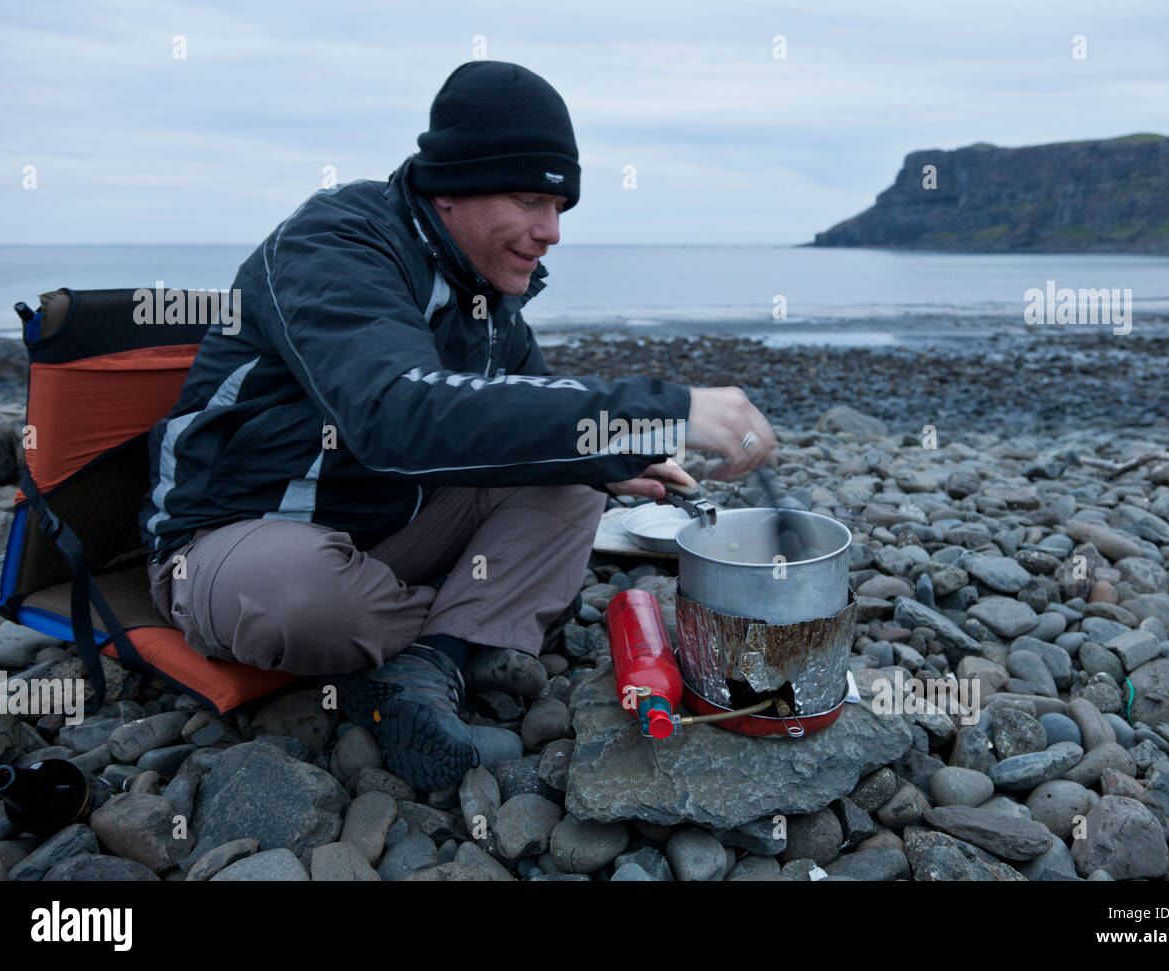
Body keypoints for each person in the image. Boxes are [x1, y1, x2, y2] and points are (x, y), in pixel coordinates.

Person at [139, 60, 777, 790]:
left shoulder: (486, 288)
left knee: (572, 474)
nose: (553, 231)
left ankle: (431, 658)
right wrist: (669, 407)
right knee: (303, 595)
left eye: (562, 206)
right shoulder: (336, 245)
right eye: (532, 199)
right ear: (452, 186)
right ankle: (478, 631)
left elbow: (532, 401)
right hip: (235, 530)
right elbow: (397, 413)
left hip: (389, 522)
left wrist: (613, 453)